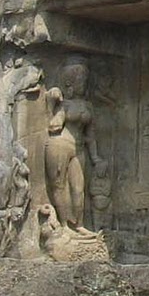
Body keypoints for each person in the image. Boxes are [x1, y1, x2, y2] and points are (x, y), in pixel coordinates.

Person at [44, 61, 104, 229]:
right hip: (59, 144)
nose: (84, 84)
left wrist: (95, 157)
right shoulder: (64, 104)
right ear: (70, 83)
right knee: (59, 185)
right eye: (81, 80)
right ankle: (64, 226)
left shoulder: (87, 106)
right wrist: (52, 104)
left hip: (79, 147)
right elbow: (53, 125)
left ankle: (79, 225)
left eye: (85, 80)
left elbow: (90, 135)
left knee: (78, 189)